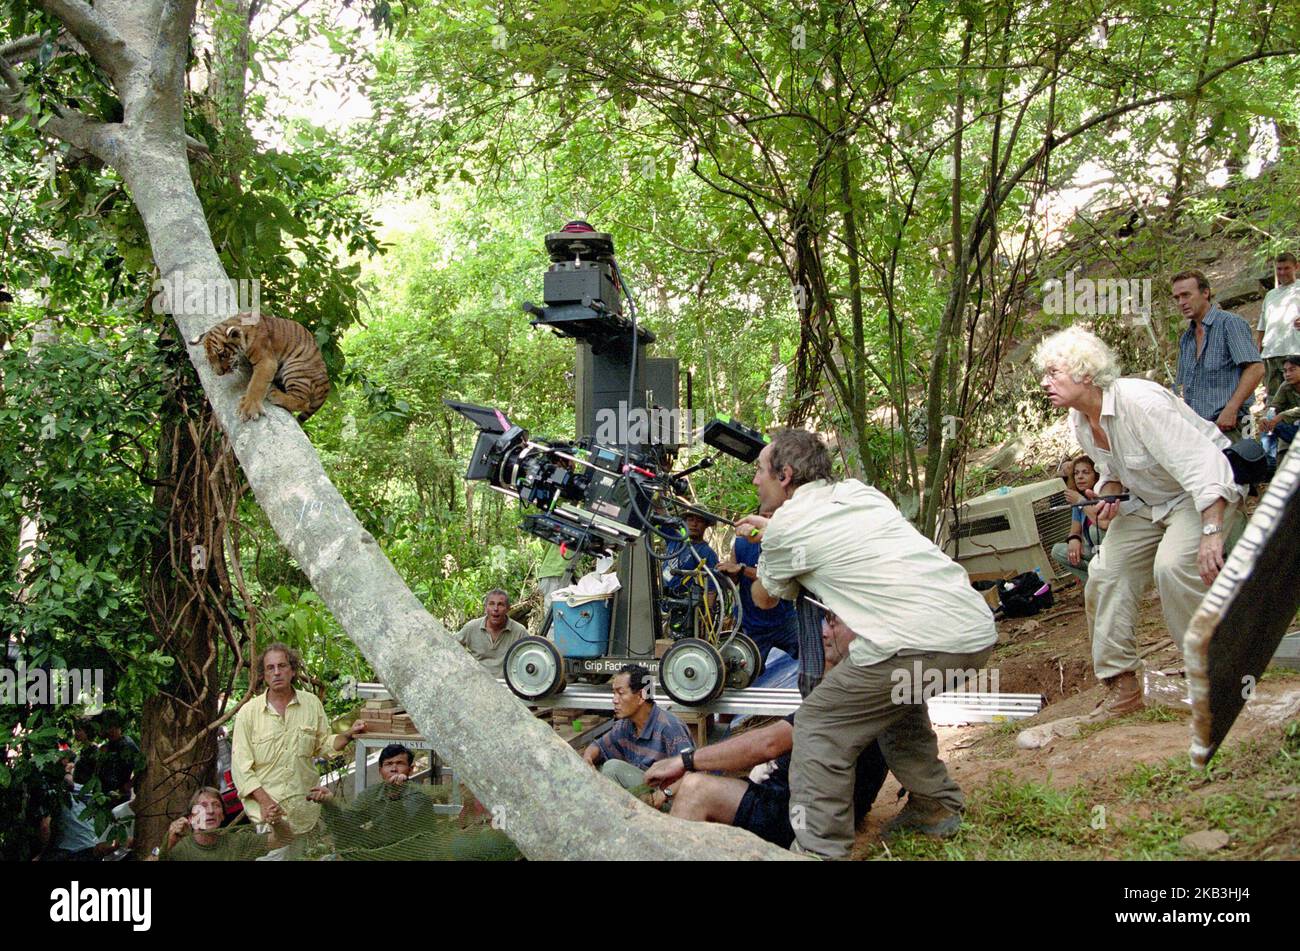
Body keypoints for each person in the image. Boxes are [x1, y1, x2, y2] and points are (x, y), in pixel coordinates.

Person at [737, 429, 997, 858]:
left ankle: (819, 851)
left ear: (784, 475)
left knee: (819, 725)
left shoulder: (786, 530)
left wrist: (766, 539)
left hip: (918, 645)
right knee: (894, 701)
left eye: (759, 471)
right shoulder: (861, 494)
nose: (754, 482)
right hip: (972, 633)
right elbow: (824, 536)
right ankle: (935, 805)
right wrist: (776, 531)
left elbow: (764, 598)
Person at [1036, 327, 1245, 720]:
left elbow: (1205, 466)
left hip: (1197, 494)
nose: (1045, 383)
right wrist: (1107, 494)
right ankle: (1123, 686)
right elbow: (1112, 470)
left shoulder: (1141, 402)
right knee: (1105, 572)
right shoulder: (1080, 420)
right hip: (1147, 502)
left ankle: (1215, 679)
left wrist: (1212, 532)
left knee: (1174, 566)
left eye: (1053, 372)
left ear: (1084, 372)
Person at [644, 611, 886, 846]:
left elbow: (767, 744)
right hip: (799, 796)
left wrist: (686, 760)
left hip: (809, 813)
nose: (823, 632)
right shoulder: (850, 682)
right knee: (692, 783)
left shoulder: (852, 692)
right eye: (825, 622)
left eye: (834, 623)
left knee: (696, 789)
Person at [231, 642, 366, 857]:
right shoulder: (249, 713)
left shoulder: (311, 704)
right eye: (270, 668)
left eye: (282, 666)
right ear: (263, 675)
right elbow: (241, 769)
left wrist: (348, 735)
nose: (276, 672)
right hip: (270, 818)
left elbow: (323, 745)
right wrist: (266, 803)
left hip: (305, 811)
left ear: (292, 670)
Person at [308, 744, 519, 861]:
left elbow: (399, 831)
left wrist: (395, 796)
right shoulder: (371, 794)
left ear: (410, 770)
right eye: (388, 764)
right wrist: (330, 803)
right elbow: (349, 825)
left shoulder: (419, 795)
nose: (394, 768)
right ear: (380, 771)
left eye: (400, 764)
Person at [1171, 269, 1264, 441]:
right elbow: (1183, 386)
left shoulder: (1230, 324)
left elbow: (1256, 368)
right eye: (1177, 298)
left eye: (1186, 295)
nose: (1181, 302)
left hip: (1233, 424)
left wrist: (1232, 408)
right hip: (1200, 429)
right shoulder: (1186, 338)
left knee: (1242, 467)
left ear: (1205, 292)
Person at [581, 664, 693, 806]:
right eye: (613, 694)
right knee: (597, 770)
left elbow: (693, 773)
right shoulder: (625, 725)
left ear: (641, 696)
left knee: (612, 769)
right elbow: (598, 745)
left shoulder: (670, 727)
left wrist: (665, 793)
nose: (614, 700)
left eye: (620, 693)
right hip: (645, 795)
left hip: (670, 803)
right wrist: (587, 758)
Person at [717, 507, 800, 662]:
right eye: (763, 517)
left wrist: (741, 569)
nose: (766, 522)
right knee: (746, 671)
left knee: (812, 655)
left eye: (772, 518)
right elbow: (734, 577)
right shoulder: (740, 543)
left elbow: (775, 575)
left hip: (784, 621)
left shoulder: (784, 544)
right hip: (753, 625)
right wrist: (726, 574)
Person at [162, 786, 291, 861]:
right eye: (203, 806)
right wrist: (168, 844)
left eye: (216, 805)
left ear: (222, 815)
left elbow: (284, 839)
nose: (211, 811)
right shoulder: (179, 849)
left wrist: (276, 821)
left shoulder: (237, 843)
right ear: (190, 818)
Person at [1049, 454, 1108, 584]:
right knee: (1057, 551)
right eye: (1076, 473)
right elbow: (1074, 530)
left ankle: (1105, 577)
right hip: (1095, 552)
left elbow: (1102, 524)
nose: (1080, 477)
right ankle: (1094, 583)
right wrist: (1073, 539)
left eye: (1085, 472)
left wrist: (1081, 501)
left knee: (1094, 531)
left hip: (1110, 551)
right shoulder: (1078, 499)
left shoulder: (1102, 493)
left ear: (1096, 475)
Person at [456, 589, 529, 678]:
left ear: (508, 608)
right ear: (486, 607)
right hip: (477, 683)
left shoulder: (519, 631)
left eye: (500, 604)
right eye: (491, 604)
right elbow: (450, 645)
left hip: (508, 685)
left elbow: (530, 658)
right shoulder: (471, 627)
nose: (495, 609)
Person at [1255, 252, 1300, 399]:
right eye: (1279, 269)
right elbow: (1262, 325)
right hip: (1271, 354)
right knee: (1274, 399)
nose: (1282, 273)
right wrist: (1258, 351)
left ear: (1296, 267)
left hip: (1295, 351)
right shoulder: (1270, 295)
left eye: (1286, 268)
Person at [95, 709, 144, 808]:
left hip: (119, 796)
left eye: (113, 727)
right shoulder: (106, 747)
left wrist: (129, 784)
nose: (110, 731)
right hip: (103, 795)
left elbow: (141, 767)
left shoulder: (127, 744)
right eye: (107, 727)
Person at [1260, 354, 1300, 465]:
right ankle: (1269, 463)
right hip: (1292, 426)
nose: (1287, 374)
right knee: (1269, 423)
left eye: (1292, 370)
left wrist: (1282, 415)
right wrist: (1266, 417)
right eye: (1285, 371)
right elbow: (1275, 405)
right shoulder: (1286, 386)